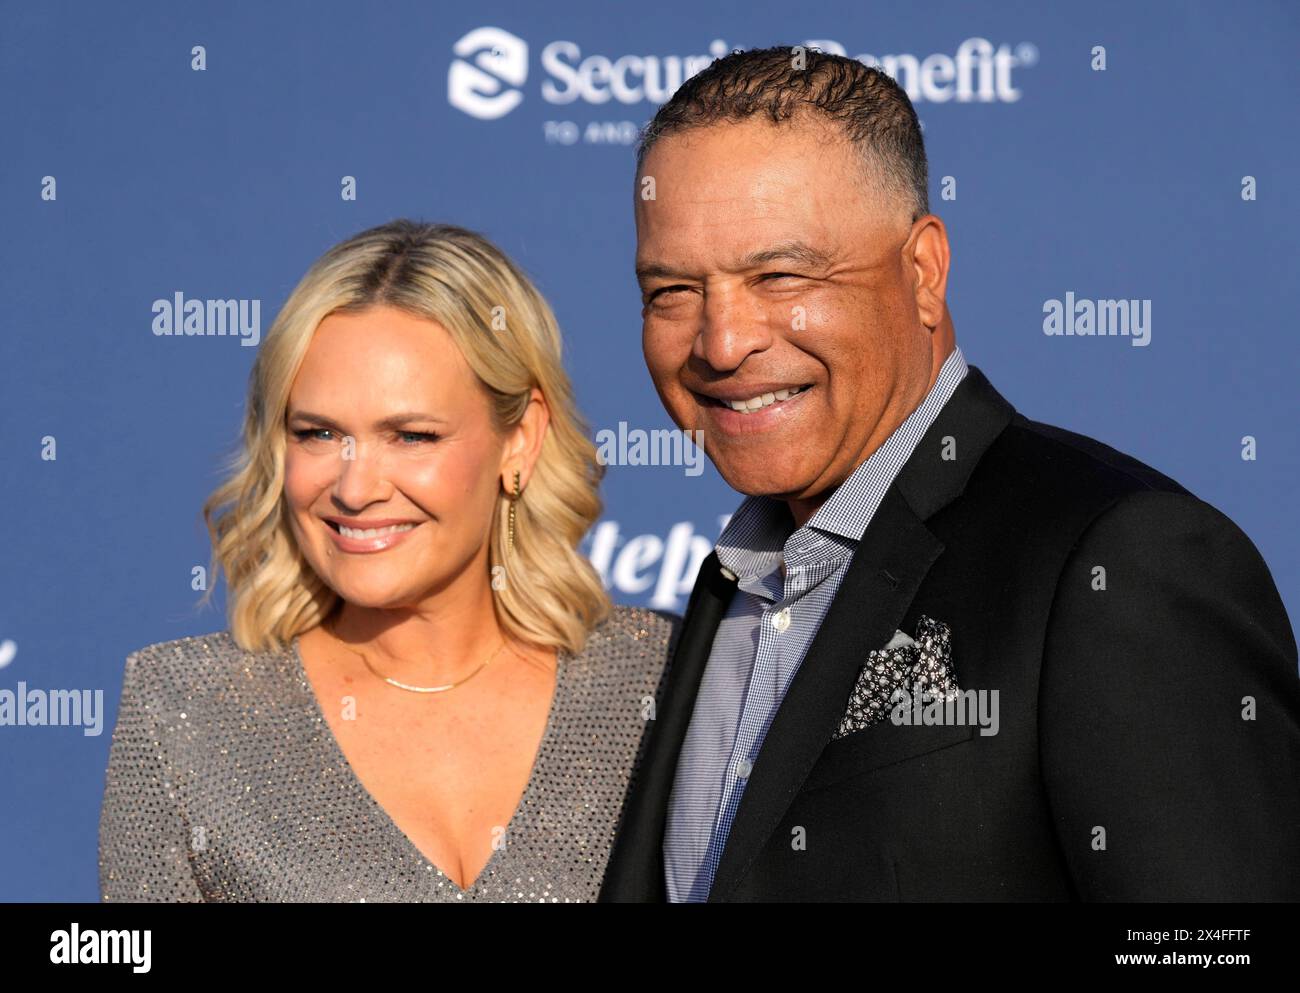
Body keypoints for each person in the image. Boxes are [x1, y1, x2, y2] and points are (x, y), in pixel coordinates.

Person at [600, 46, 1300, 901]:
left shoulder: (1117, 559)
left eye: (779, 274)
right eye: (672, 291)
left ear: (923, 273)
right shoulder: (726, 595)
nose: (721, 340)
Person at [99, 220, 679, 902]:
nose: (353, 487)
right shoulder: (184, 708)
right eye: (317, 433)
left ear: (519, 439)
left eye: (410, 435)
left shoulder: (665, 679)